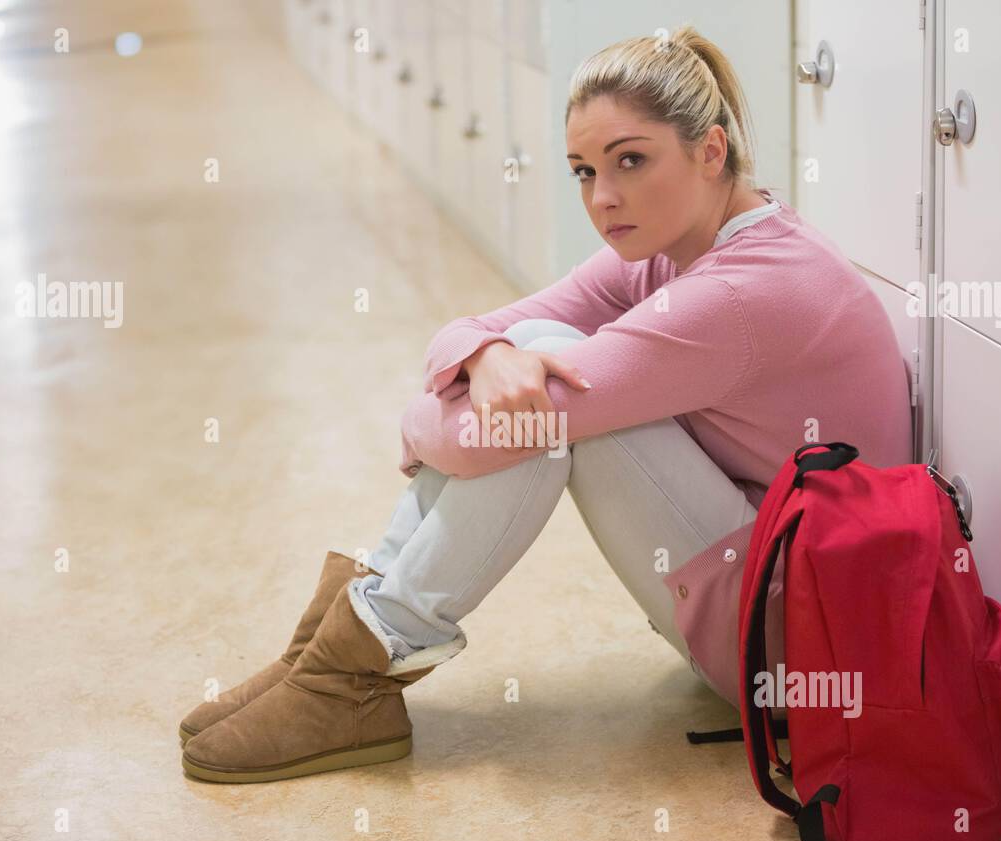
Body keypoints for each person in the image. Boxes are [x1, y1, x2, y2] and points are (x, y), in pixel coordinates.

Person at [179, 23, 911, 784]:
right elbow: (475, 331)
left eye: (631, 161)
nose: (604, 197)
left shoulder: (737, 294)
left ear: (711, 151)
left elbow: (480, 436)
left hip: (795, 659)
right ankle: (336, 654)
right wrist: (484, 354)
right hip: (766, 610)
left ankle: (357, 664)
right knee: (530, 351)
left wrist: (416, 419)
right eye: (584, 171)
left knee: (543, 409)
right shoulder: (682, 244)